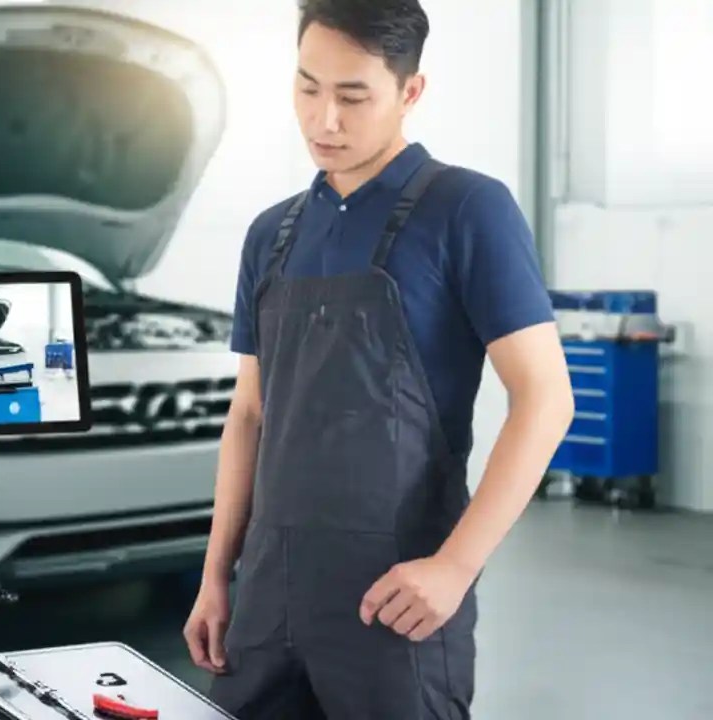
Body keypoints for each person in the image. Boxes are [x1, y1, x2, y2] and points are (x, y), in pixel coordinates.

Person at [183, 1, 576, 718]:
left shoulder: (468, 210)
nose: (323, 120)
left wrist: (455, 568)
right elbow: (249, 415)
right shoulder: (271, 235)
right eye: (307, 88)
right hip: (266, 603)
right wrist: (216, 578)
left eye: (353, 96)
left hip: (396, 603)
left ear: (410, 92)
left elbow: (546, 399)